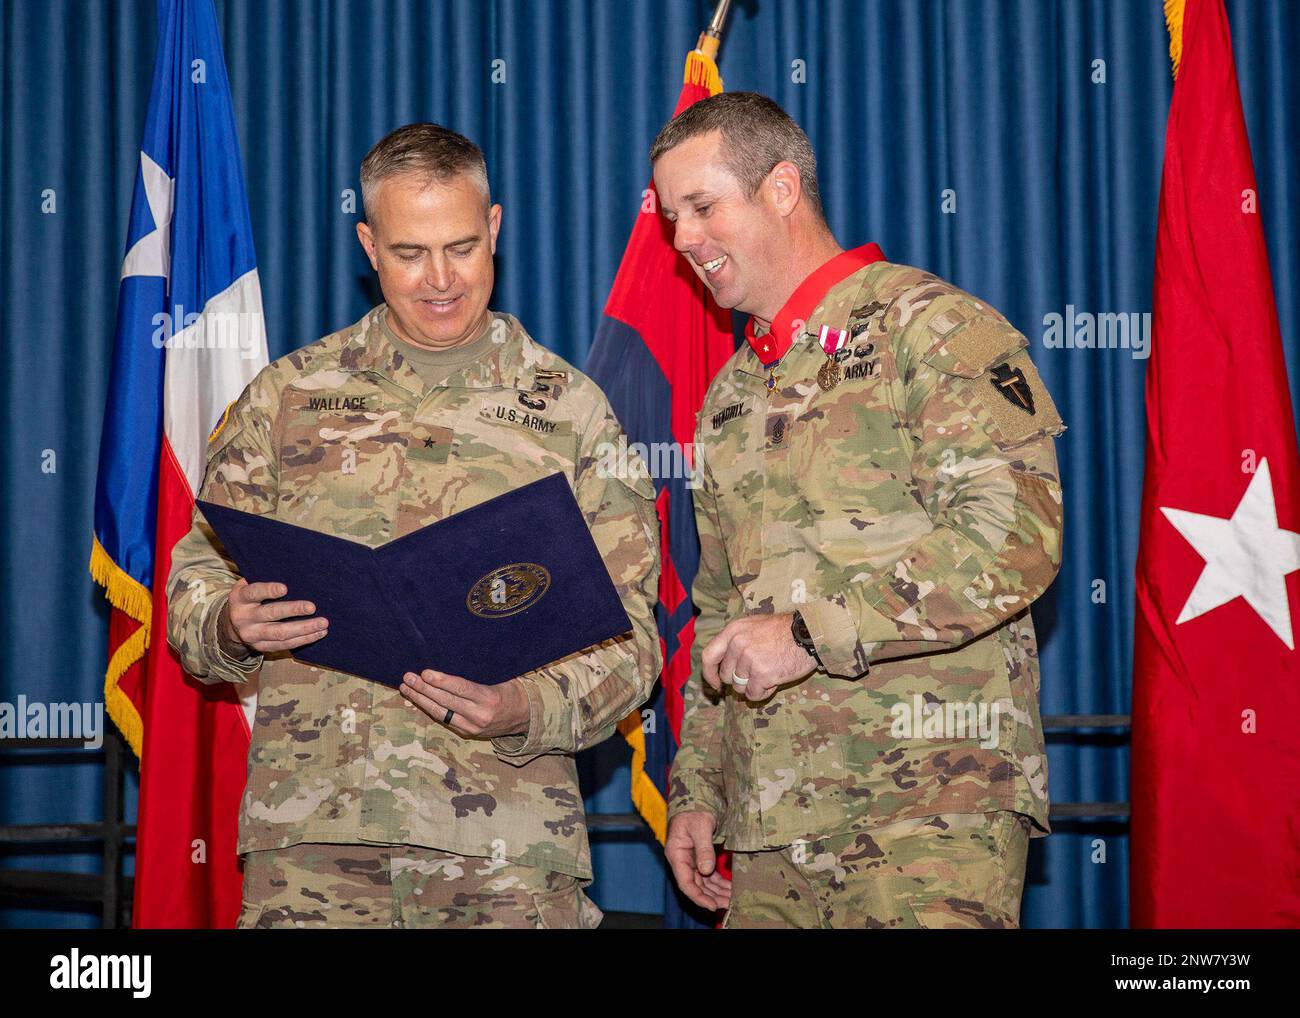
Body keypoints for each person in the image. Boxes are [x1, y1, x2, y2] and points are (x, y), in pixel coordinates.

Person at [166, 123, 661, 929]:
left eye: (463, 247)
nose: (440, 279)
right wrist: (227, 618)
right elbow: (193, 581)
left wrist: (524, 706)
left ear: (496, 226)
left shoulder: (571, 412)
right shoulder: (287, 397)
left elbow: (633, 640)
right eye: (408, 253)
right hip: (313, 844)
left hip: (507, 846)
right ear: (367, 243)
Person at [651, 92, 1065, 928]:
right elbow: (722, 610)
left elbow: (1016, 537)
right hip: (770, 823)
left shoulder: (931, 328)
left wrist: (808, 635)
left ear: (780, 189)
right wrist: (700, 787)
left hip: (926, 809)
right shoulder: (729, 395)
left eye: (702, 207)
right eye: (671, 217)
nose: (683, 238)